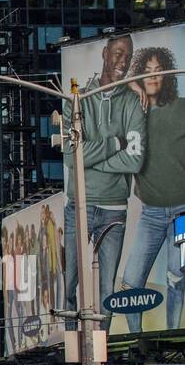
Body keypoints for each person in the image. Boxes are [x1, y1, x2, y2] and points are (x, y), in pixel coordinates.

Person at [60, 33, 146, 331]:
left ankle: (101, 352)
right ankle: (71, 350)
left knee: (107, 290)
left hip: (114, 211)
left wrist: (90, 157)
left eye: (128, 54)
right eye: (118, 52)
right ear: (105, 53)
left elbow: (135, 160)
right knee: (69, 282)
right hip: (79, 206)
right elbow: (72, 159)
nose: (123, 60)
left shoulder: (133, 103)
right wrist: (114, 143)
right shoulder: (78, 98)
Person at [121, 46, 185, 334]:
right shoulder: (134, 113)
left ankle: (174, 337)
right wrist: (134, 89)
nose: (153, 77)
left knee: (176, 276)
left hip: (183, 212)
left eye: (158, 70)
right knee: (130, 283)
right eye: (146, 72)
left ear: (167, 75)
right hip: (152, 214)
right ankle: (136, 341)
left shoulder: (182, 108)